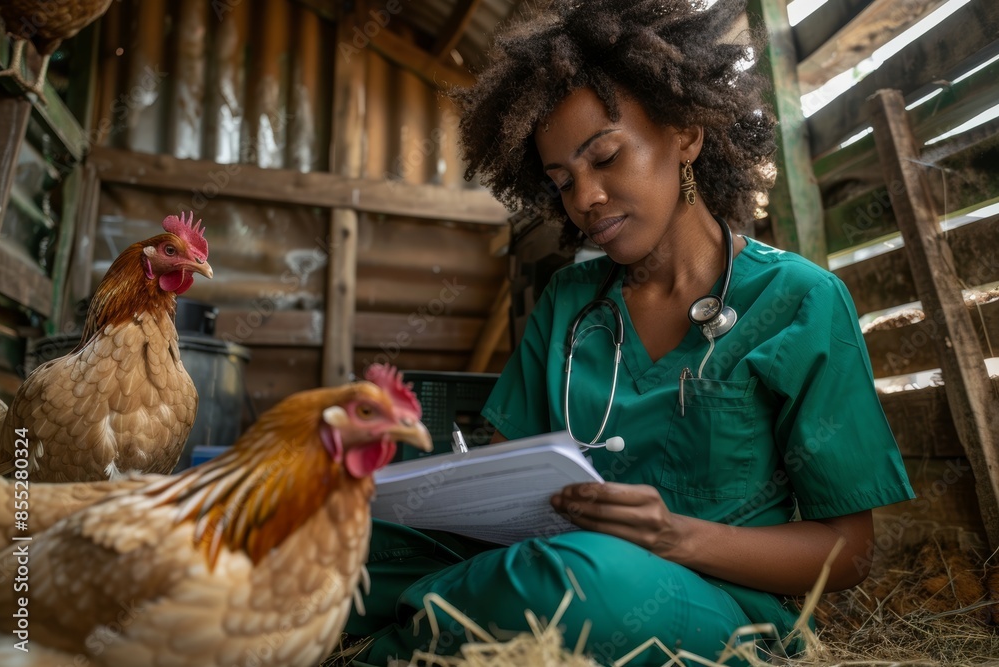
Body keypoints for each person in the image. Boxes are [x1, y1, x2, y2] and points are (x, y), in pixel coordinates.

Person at [345, 1, 914, 665]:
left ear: (686, 134)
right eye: (561, 181)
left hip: (710, 604)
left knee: (578, 583)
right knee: (347, 533)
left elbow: (849, 552)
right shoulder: (568, 301)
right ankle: (437, 609)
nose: (584, 198)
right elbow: (504, 481)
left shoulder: (800, 302)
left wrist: (672, 536)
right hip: (540, 562)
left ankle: (390, 645)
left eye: (606, 157)